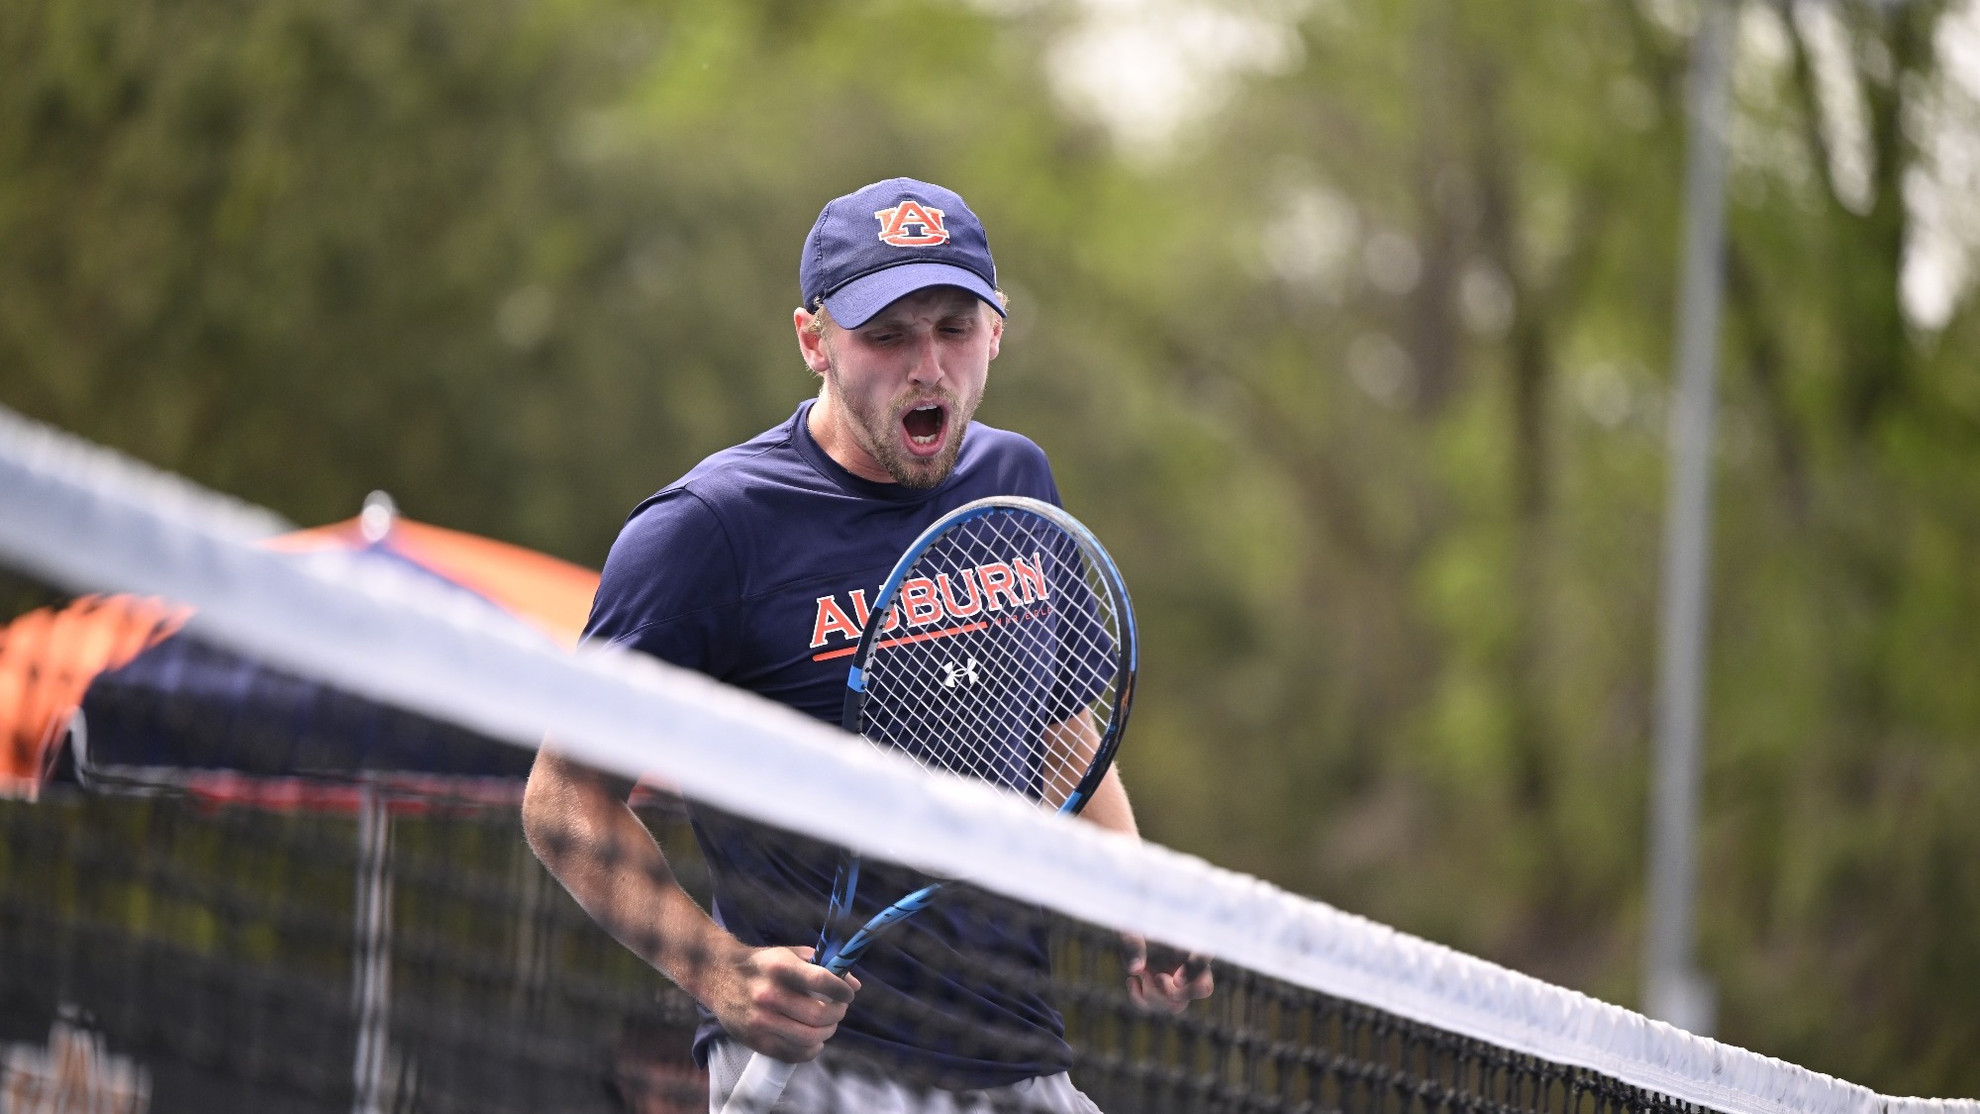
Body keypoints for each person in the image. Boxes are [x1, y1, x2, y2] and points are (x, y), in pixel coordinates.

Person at [522, 178, 1213, 1113]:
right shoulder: (707, 529)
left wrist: (1135, 891)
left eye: (954, 329)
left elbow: (1052, 731)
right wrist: (723, 975)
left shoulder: (1017, 482)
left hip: (1015, 1055)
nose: (927, 367)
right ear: (813, 340)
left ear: (997, 332)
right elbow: (563, 800)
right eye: (886, 335)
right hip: (823, 1078)